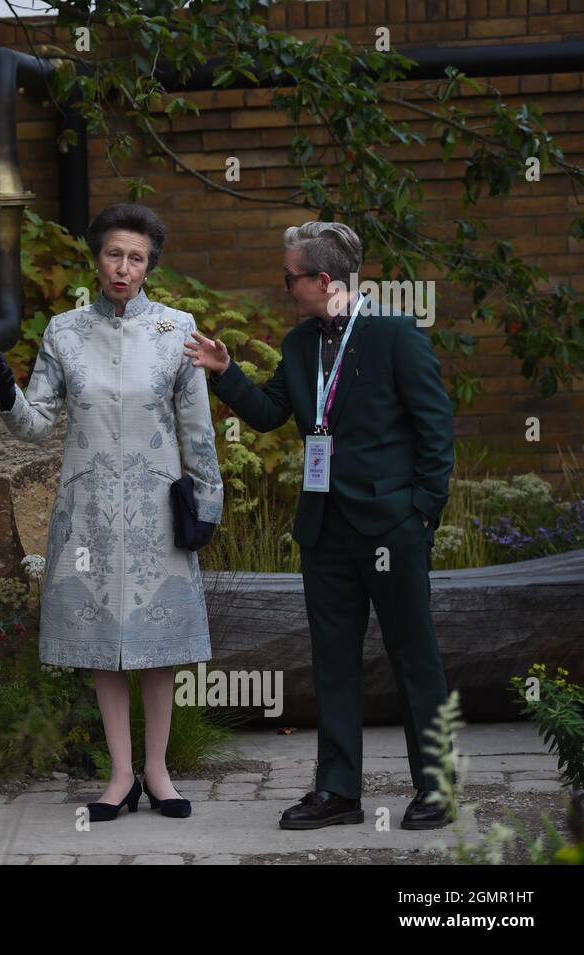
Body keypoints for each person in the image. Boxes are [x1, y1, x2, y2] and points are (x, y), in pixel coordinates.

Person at [183, 220, 455, 830]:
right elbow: (269, 413)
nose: (285, 288)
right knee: (333, 660)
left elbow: (436, 430)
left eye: (290, 278)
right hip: (324, 529)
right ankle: (338, 792)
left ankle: (437, 787)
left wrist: (422, 514)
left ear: (322, 279)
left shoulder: (395, 334)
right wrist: (224, 372)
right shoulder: (301, 344)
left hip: (392, 528)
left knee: (415, 656)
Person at [0, 203, 224, 821]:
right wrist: (8, 397)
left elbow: (196, 429)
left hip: (157, 507)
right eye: (114, 254)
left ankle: (158, 771)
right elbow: (37, 426)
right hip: (89, 507)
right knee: (102, 644)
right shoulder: (64, 332)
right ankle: (120, 775)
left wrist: (207, 503)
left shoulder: (178, 329)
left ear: (150, 266)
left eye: (136, 258)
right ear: (96, 257)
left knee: (156, 642)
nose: (123, 267)